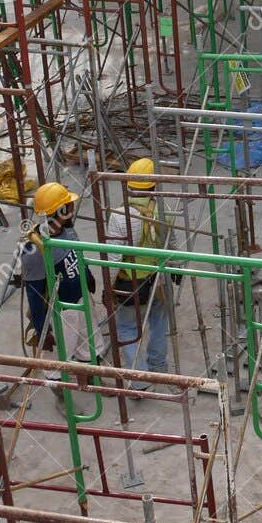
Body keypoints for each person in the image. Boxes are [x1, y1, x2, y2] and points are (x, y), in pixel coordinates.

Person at [19, 182, 94, 392]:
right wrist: (42, 330)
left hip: (81, 299)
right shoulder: (35, 250)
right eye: (69, 205)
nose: (73, 208)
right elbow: (34, 294)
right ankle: (60, 394)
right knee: (58, 358)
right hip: (61, 311)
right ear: (60, 211)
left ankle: (89, 379)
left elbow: (78, 256)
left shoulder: (66, 230)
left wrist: (88, 277)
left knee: (87, 345)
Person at [106, 157, 170, 388]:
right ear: (154, 185)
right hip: (158, 279)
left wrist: (108, 288)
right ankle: (158, 365)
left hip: (130, 283)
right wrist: (177, 269)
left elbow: (114, 259)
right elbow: (171, 245)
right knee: (159, 322)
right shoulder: (164, 210)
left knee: (127, 328)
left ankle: (139, 379)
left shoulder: (119, 216)